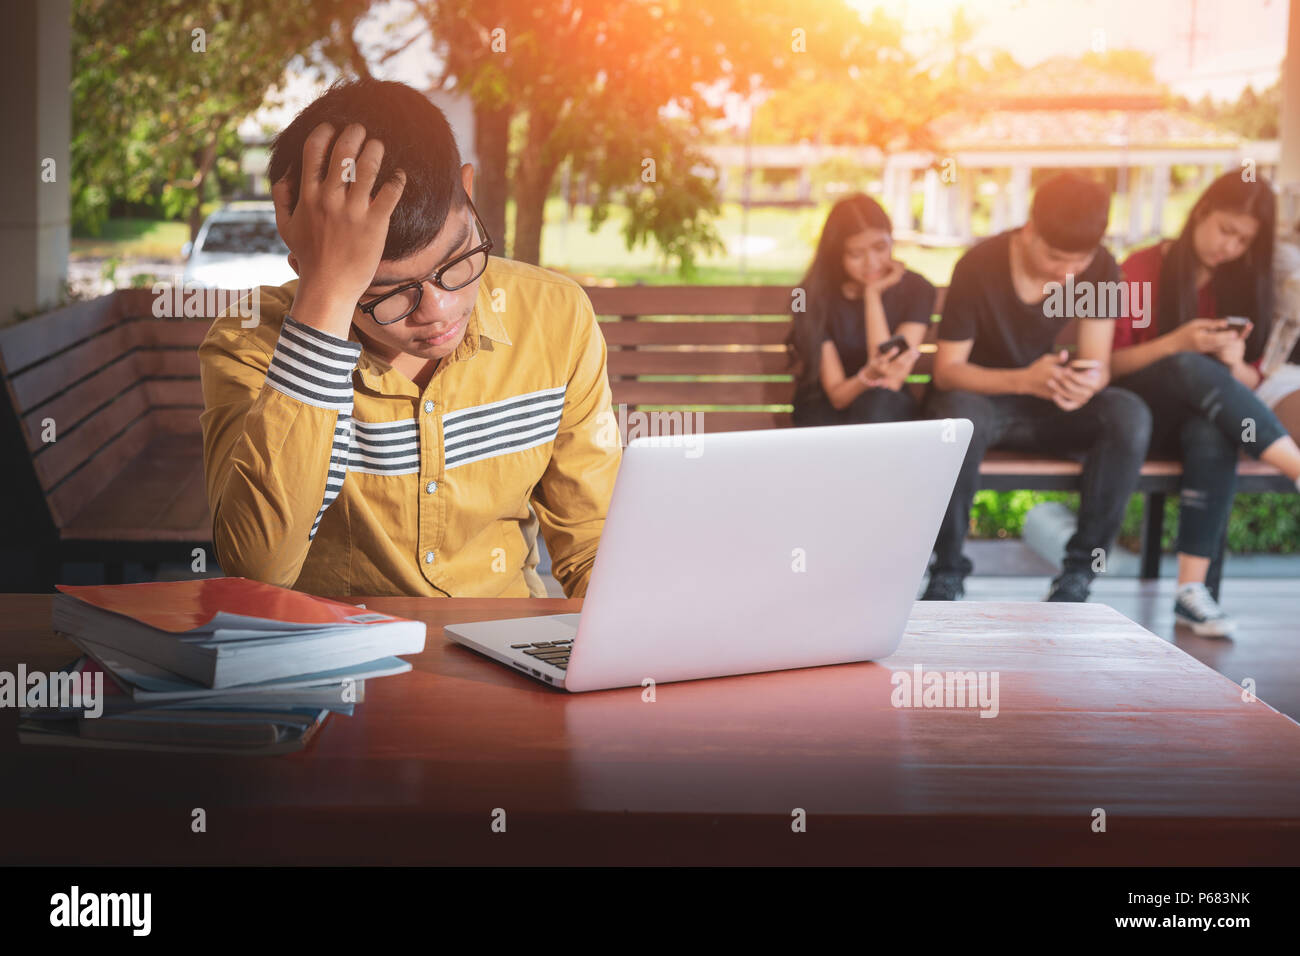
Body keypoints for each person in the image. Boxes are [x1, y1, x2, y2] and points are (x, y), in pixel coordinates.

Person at [198, 78, 621, 599]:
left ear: (468, 192)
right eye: (386, 293)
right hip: (337, 668)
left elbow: (593, 547)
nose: (438, 312)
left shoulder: (557, 316)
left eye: (456, 261)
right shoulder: (251, 345)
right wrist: (326, 297)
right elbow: (258, 570)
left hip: (509, 657)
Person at [923, 172, 1152, 602]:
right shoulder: (979, 265)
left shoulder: (1101, 265)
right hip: (983, 402)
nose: (1066, 272)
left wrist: (1083, 385)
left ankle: (1078, 575)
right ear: (1030, 230)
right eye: (1055, 257)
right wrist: (1022, 379)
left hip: (1049, 406)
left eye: (1077, 262)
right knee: (957, 416)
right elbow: (948, 371)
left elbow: (1097, 364)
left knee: (1127, 413)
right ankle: (947, 572)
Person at [1111, 173, 1300, 636]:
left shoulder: (1241, 284)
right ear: (1201, 210)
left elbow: (1252, 379)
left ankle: (1191, 594)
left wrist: (1235, 363)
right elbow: (1111, 364)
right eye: (1225, 229)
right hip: (1135, 416)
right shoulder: (1141, 267)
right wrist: (1177, 342)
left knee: (1211, 427)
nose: (1229, 246)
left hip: (1201, 414)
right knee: (1186, 364)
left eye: (1243, 240)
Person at [786, 194, 934, 426]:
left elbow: (891, 378)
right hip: (827, 405)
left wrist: (871, 296)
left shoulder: (918, 289)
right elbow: (837, 396)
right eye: (856, 254)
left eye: (880, 247)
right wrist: (868, 375)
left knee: (878, 403)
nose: (871, 262)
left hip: (885, 406)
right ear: (837, 254)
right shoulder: (808, 296)